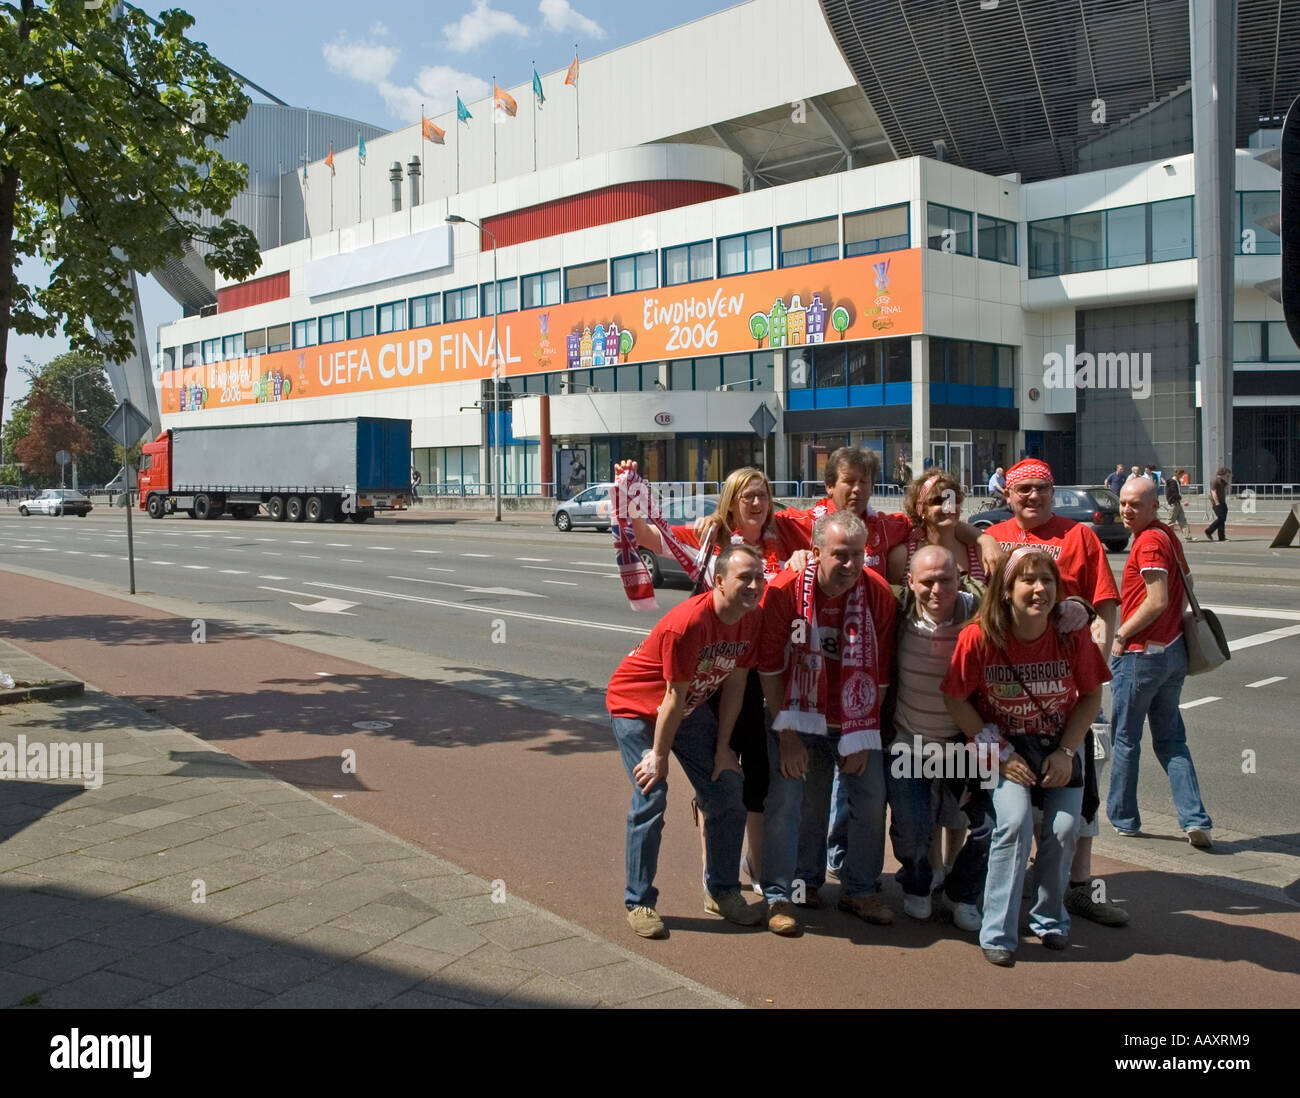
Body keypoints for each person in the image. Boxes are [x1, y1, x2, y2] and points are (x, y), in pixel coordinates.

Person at [616, 461, 808, 887]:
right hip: (708, 674)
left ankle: (754, 867)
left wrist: (801, 556)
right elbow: (649, 537)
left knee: (754, 769)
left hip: (759, 669)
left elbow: (834, 523)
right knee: (716, 776)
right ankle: (710, 873)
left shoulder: (790, 532)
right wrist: (628, 494)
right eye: (747, 496)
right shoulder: (710, 537)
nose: (758, 503)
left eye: (763, 494)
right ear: (730, 503)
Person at [942, 547, 1111, 966]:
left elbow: (1091, 695)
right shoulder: (979, 636)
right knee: (1014, 824)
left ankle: (1050, 919)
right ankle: (997, 930)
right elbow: (955, 697)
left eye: (1048, 581)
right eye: (1028, 580)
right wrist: (995, 752)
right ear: (1005, 589)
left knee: (1065, 829)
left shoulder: (1071, 634)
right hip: (1006, 749)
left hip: (1059, 746)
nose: (1039, 589)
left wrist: (1067, 751)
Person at [983, 458, 1127, 927]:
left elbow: (1105, 604)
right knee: (1007, 789)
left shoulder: (1079, 536)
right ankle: (1020, 880)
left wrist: (1097, 660)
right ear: (1007, 494)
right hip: (1006, 690)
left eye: (1042, 489)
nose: (1032, 497)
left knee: (1080, 786)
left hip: (1069, 688)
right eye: (1022, 490)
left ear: (1053, 492)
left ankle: (1079, 886)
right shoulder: (995, 537)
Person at [606, 544, 768, 938]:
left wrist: (724, 748)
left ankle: (723, 892)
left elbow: (736, 684)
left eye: (759, 577)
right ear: (719, 582)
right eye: (744, 578)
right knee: (652, 792)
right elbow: (672, 698)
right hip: (639, 708)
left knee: (728, 788)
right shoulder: (689, 624)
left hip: (689, 708)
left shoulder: (752, 618)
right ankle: (640, 900)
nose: (754, 585)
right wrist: (658, 756)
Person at [757, 510, 897, 935]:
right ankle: (788, 892)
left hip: (855, 718)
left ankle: (860, 889)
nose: (851, 565)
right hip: (797, 714)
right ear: (815, 552)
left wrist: (860, 734)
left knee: (871, 799)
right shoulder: (783, 591)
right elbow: (768, 669)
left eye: (858, 555)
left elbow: (884, 677)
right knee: (793, 801)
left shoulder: (878, 594)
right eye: (840, 555)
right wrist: (786, 735)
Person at [885, 545, 988, 931]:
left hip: (964, 743)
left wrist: (1077, 607)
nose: (936, 590)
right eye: (926, 581)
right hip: (909, 743)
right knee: (911, 827)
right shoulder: (895, 612)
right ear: (910, 583)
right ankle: (918, 882)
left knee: (987, 825)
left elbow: (1032, 599)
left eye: (945, 580)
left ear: (959, 578)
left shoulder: (979, 610)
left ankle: (962, 891)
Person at [1108, 478, 1214, 847]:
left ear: (1154, 506)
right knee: (1172, 740)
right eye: (1122, 502)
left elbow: (1155, 600)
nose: (1126, 510)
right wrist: (1171, 626)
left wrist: (1122, 635)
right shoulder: (1166, 535)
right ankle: (1194, 819)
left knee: (1124, 738)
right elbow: (1187, 585)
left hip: (1141, 655)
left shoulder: (1149, 542)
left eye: (1135, 504)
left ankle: (1123, 817)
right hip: (1172, 654)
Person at [887, 469, 989, 589]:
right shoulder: (902, 557)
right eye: (939, 501)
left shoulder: (979, 553)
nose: (948, 506)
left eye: (953, 499)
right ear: (921, 509)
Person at [1204, 467, 1230, 542]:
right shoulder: (1215, 481)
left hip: (1223, 502)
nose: (1227, 477)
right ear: (1223, 474)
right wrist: (1217, 502)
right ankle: (1209, 530)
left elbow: (1227, 485)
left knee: (1222, 520)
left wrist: (1227, 479)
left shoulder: (1222, 481)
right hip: (1217, 503)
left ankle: (1221, 537)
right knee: (1221, 518)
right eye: (1227, 475)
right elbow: (1213, 492)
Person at [1164, 469, 1191, 539]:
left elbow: (1178, 492)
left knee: (1183, 520)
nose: (1182, 476)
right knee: (1170, 521)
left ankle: (1188, 536)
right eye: (1182, 474)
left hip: (1178, 503)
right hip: (1173, 503)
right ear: (1178, 474)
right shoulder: (1172, 482)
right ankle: (1164, 535)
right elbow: (1174, 493)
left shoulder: (1177, 481)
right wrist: (1183, 501)